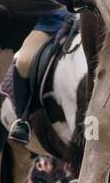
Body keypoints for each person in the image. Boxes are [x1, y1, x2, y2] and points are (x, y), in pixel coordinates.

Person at [7, 9, 74, 146]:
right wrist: (64, 14)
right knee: (23, 62)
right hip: (46, 26)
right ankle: (22, 120)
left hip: (82, 23)